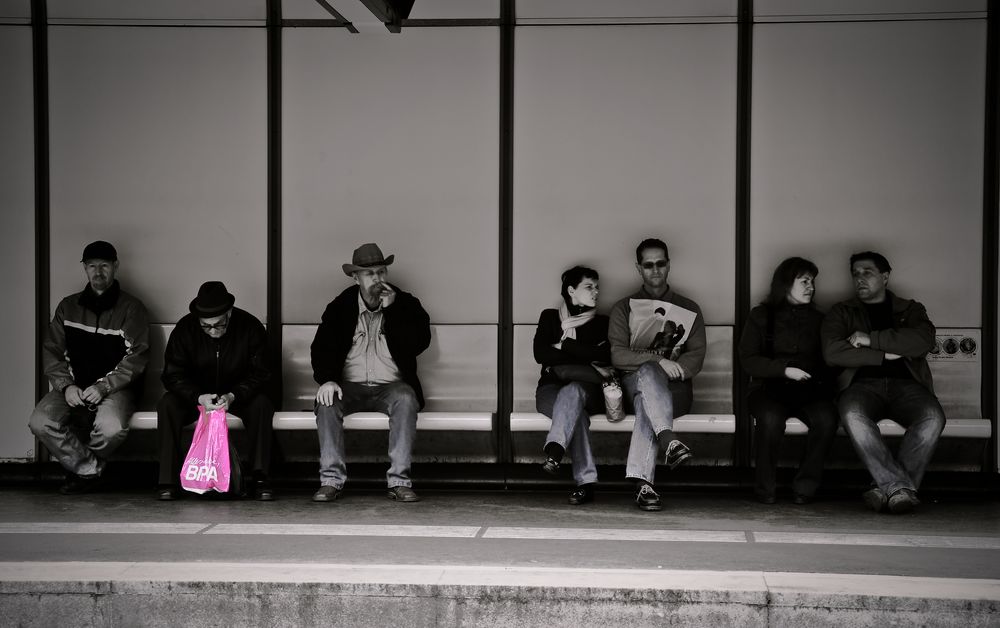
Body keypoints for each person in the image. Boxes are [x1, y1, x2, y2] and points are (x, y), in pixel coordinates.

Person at [821, 251, 945, 514]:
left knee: (933, 417)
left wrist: (869, 339)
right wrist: (884, 354)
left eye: (867, 272)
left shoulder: (910, 310)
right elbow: (833, 352)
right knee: (852, 414)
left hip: (908, 386)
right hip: (861, 387)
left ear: (885, 276)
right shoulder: (842, 312)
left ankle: (885, 488)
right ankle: (898, 488)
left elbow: (922, 342)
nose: (859, 279)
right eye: (855, 274)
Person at [310, 243, 431, 503]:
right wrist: (328, 380)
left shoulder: (405, 303)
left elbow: (419, 343)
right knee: (326, 401)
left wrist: (393, 309)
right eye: (369, 274)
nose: (377, 279)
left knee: (407, 399)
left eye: (380, 272)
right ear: (356, 278)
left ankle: (399, 481)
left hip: (392, 387)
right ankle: (331, 480)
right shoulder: (340, 306)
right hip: (349, 386)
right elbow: (321, 348)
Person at [29, 240, 150, 494]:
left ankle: (81, 472)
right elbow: (52, 351)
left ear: (115, 266)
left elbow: (136, 357)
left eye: (104, 266)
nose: (98, 272)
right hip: (74, 385)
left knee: (111, 429)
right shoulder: (68, 307)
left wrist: (104, 386)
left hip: (116, 388)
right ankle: (93, 471)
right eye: (91, 266)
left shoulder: (131, 308)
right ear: (84, 268)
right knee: (40, 421)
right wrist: (66, 386)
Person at [609, 238, 706, 511]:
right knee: (648, 376)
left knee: (646, 403)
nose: (655, 270)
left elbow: (696, 357)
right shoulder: (623, 308)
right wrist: (658, 360)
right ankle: (669, 441)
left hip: (676, 391)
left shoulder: (689, 309)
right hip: (631, 386)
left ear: (669, 265)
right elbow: (617, 355)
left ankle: (644, 485)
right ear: (638, 268)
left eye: (660, 263)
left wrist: (670, 370)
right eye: (648, 265)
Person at [156, 281, 275, 501]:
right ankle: (167, 480)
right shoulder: (185, 328)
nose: (212, 331)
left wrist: (234, 395)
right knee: (167, 404)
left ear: (229, 313)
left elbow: (262, 373)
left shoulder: (249, 326)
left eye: (219, 325)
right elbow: (172, 375)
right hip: (198, 396)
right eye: (206, 326)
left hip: (237, 395)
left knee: (262, 405)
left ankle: (260, 478)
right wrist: (196, 396)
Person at [738, 257, 837, 504]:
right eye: (804, 281)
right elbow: (748, 360)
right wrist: (784, 370)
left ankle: (805, 487)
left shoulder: (820, 319)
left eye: (812, 282)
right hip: (767, 389)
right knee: (770, 420)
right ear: (785, 284)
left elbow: (831, 361)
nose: (810, 287)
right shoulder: (761, 316)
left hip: (808, 391)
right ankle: (765, 489)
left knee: (827, 419)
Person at [533, 266, 610, 505]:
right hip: (549, 389)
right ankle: (585, 485)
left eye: (597, 287)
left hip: (589, 390)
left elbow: (605, 356)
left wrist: (563, 347)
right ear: (571, 291)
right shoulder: (549, 317)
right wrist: (584, 355)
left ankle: (556, 449)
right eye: (589, 287)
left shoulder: (602, 322)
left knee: (573, 391)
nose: (596, 292)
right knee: (575, 413)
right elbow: (540, 353)